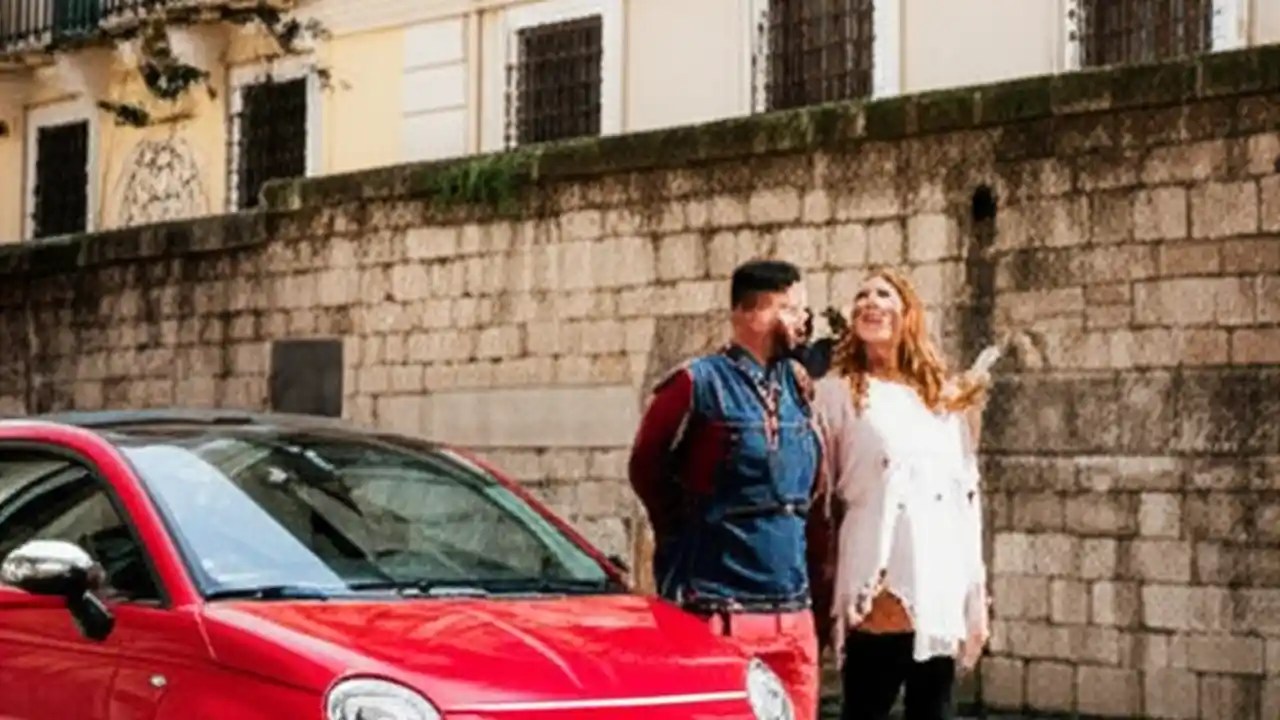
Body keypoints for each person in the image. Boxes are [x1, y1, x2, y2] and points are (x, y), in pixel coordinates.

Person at [627, 259, 837, 720]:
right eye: (788, 308)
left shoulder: (798, 389)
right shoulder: (696, 383)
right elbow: (646, 465)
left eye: (802, 308)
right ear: (749, 314)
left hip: (793, 612)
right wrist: (682, 532)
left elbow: (813, 502)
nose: (802, 320)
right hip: (720, 608)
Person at [812, 269, 996, 720]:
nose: (868, 302)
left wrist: (976, 592)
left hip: (939, 586)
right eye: (861, 295)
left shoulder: (943, 400)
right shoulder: (835, 394)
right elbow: (819, 494)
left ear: (907, 312)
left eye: (882, 293)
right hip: (877, 586)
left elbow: (964, 500)